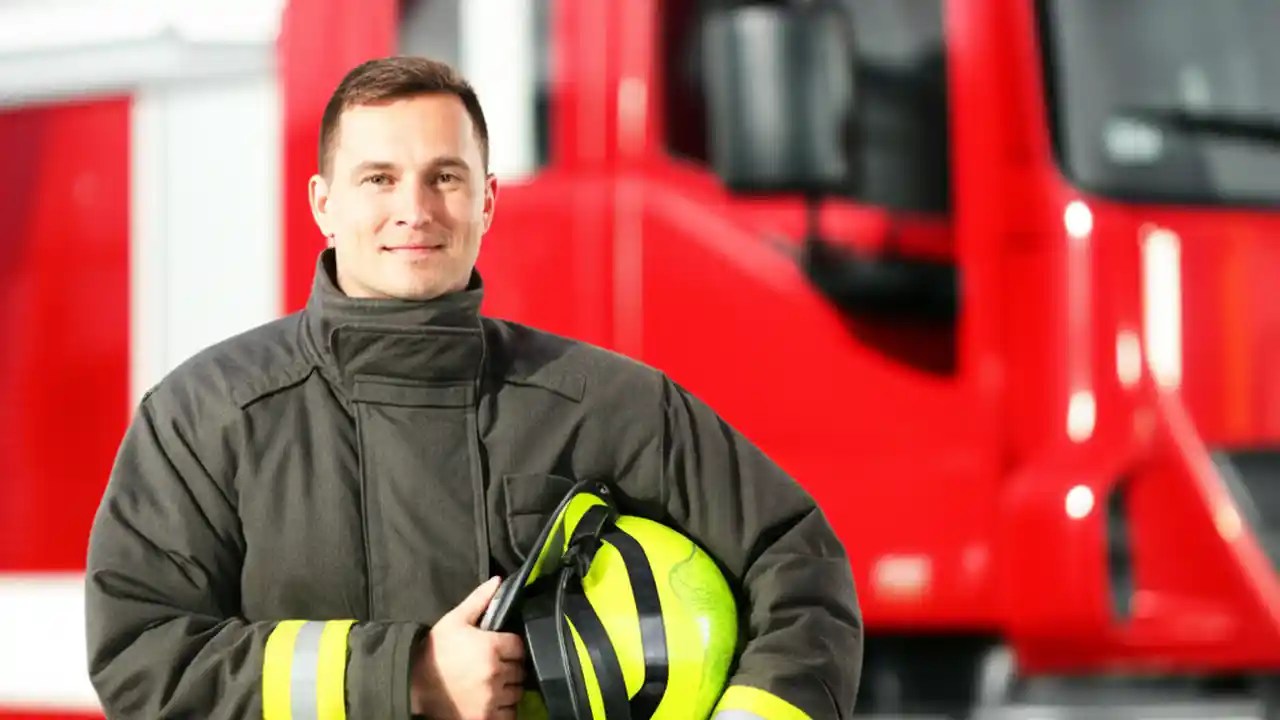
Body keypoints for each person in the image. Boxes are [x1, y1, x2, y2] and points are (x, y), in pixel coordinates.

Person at [85, 55, 862, 720]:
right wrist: (409, 674)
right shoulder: (206, 417)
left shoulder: (602, 403)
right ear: (324, 203)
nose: (414, 210)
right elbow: (142, 657)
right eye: (379, 178)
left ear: (487, 200)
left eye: (444, 177)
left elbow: (797, 558)